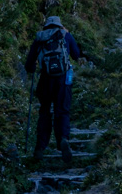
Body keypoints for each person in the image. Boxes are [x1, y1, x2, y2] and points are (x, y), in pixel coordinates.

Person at [24, 15, 87, 166]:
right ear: (59, 24)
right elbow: (76, 54)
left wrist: (34, 67)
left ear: (46, 25)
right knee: (62, 111)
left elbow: (29, 65)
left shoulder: (40, 37)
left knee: (45, 112)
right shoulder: (65, 34)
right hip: (63, 80)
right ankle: (63, 139)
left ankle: (40, 148)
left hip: (45, 80)